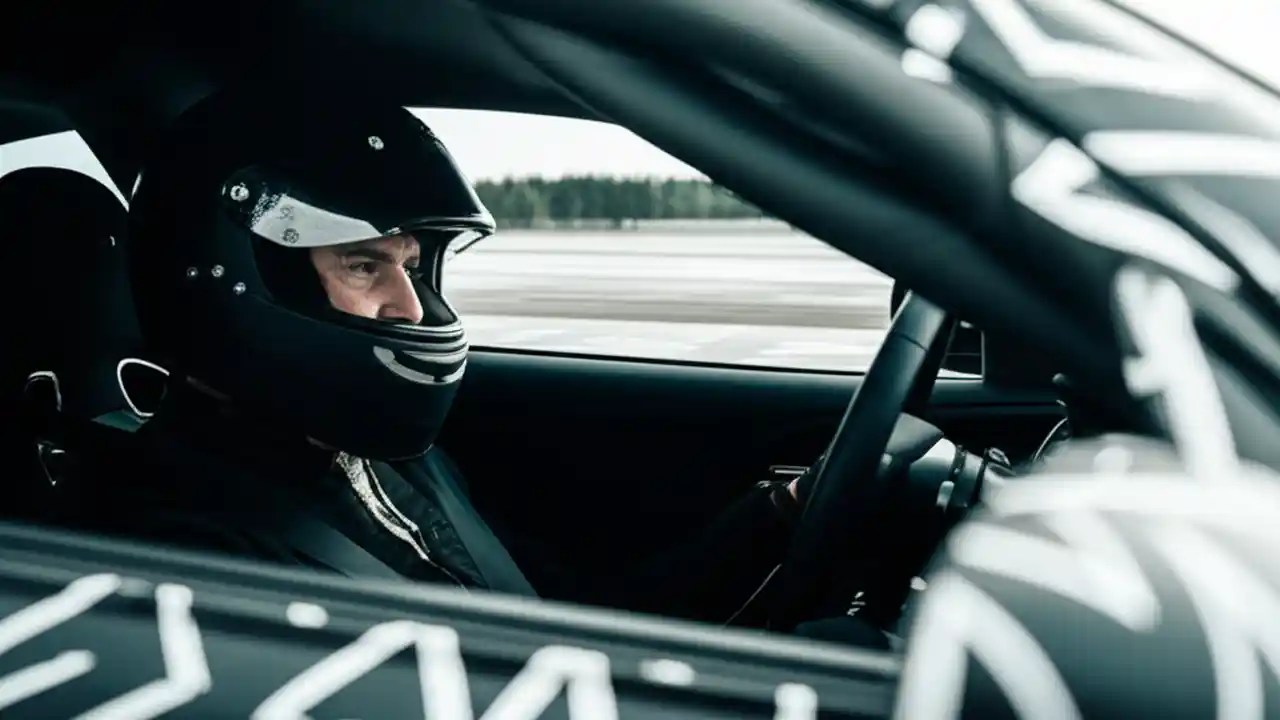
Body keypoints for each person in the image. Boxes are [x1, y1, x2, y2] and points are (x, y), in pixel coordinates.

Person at [90, 84, 869, 639]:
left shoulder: (388, 459)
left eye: (414, 266)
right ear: (238, 279)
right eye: (364, 266)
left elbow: (565, 620)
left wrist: (779, 513)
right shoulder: (184, 552)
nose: (412, 308)